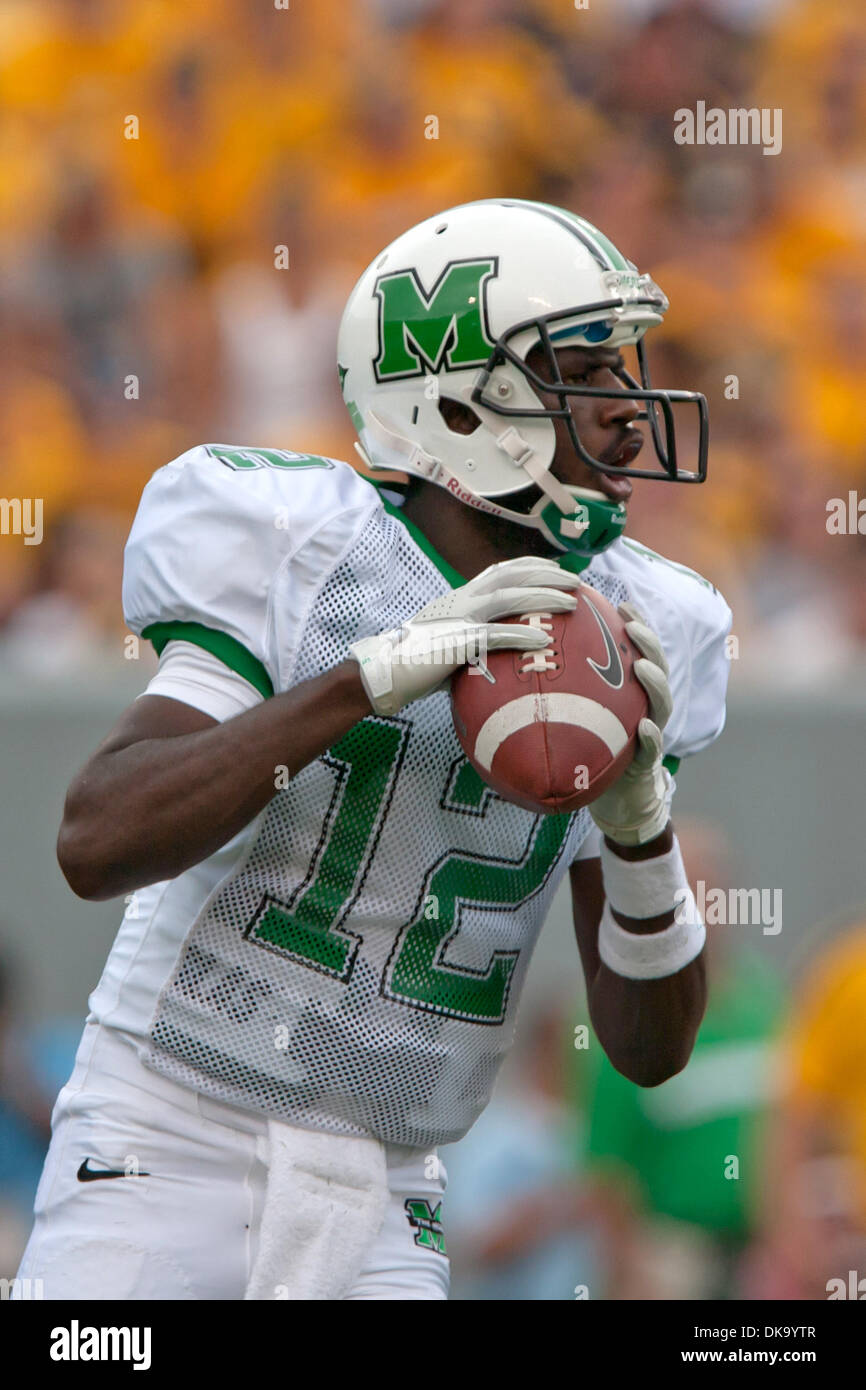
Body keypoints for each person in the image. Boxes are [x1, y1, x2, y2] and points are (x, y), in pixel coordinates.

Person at [16, 199, 731, 1301]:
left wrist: (641, 828)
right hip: (167, 1138)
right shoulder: (301, 548)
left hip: (396, 1188)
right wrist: (365, 677)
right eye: (585, 372)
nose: (629, 414)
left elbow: (647, 1050)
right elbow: (97, 838)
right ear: (455, 399)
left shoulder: (641, 624)